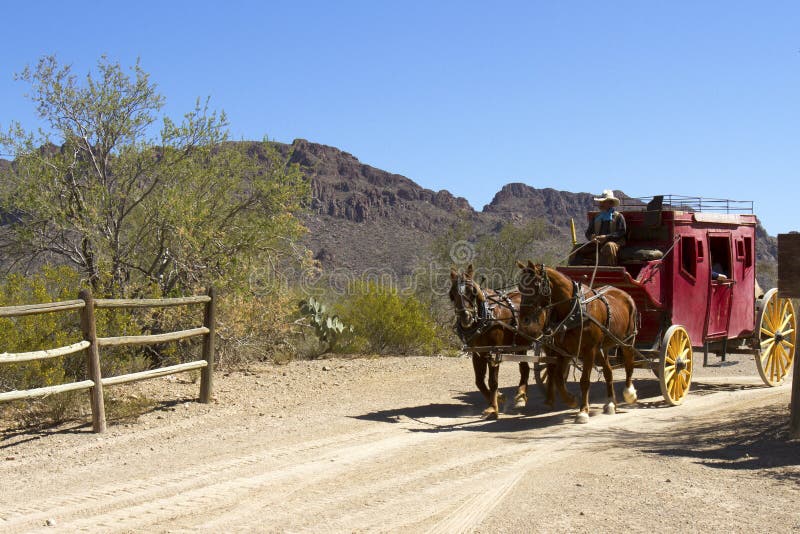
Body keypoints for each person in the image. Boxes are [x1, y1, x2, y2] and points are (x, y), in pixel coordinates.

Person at [584, 189, 627, 266]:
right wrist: (592, 237)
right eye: (600, 202)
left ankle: (609, 270)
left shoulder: (618, 217)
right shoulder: (596, 217)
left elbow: (621, 232)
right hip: (597, 243)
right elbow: (588, 232)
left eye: (603, 202)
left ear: (611, 203)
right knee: (579, 248)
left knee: (609, 246)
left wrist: (606, 237)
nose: (601, 203)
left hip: (615, 243)